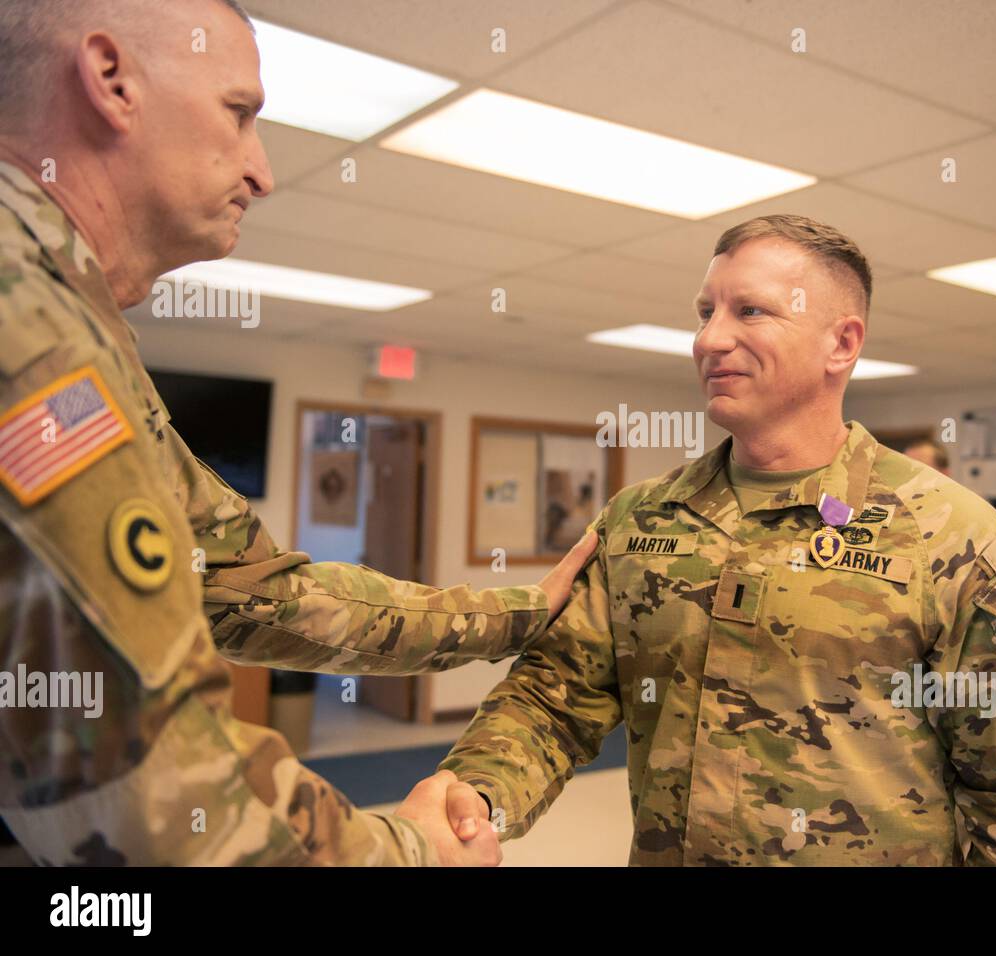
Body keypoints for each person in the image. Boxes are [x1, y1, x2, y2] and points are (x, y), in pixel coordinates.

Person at [0, 0, 594, 866]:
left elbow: (259, 591)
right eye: (239, 113)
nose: (261, 171)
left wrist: (515, 616)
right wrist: (409, 851)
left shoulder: (72, 319)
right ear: (111, 79)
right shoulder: (32, 330)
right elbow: (151, 798)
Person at [437, 214, 996, 866]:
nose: (710, 339)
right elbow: (555, 698)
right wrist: (478, 796)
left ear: (842, 343)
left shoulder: (955, 539)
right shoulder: (644, 520)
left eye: (750, 311)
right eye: (704, 312)